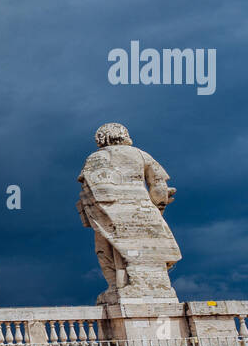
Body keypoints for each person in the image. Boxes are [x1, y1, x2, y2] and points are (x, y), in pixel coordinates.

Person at [77, 122, 180, 303]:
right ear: (125, 135)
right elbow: (159, 185)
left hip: (108, 210)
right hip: (144, 210)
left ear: (100, 139)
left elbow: (90, 190)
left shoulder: (95, 158)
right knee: (149, 250)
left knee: (106, 249)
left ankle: (119, 286)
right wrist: (160, 205)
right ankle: (148, 288)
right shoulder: (141, 155)